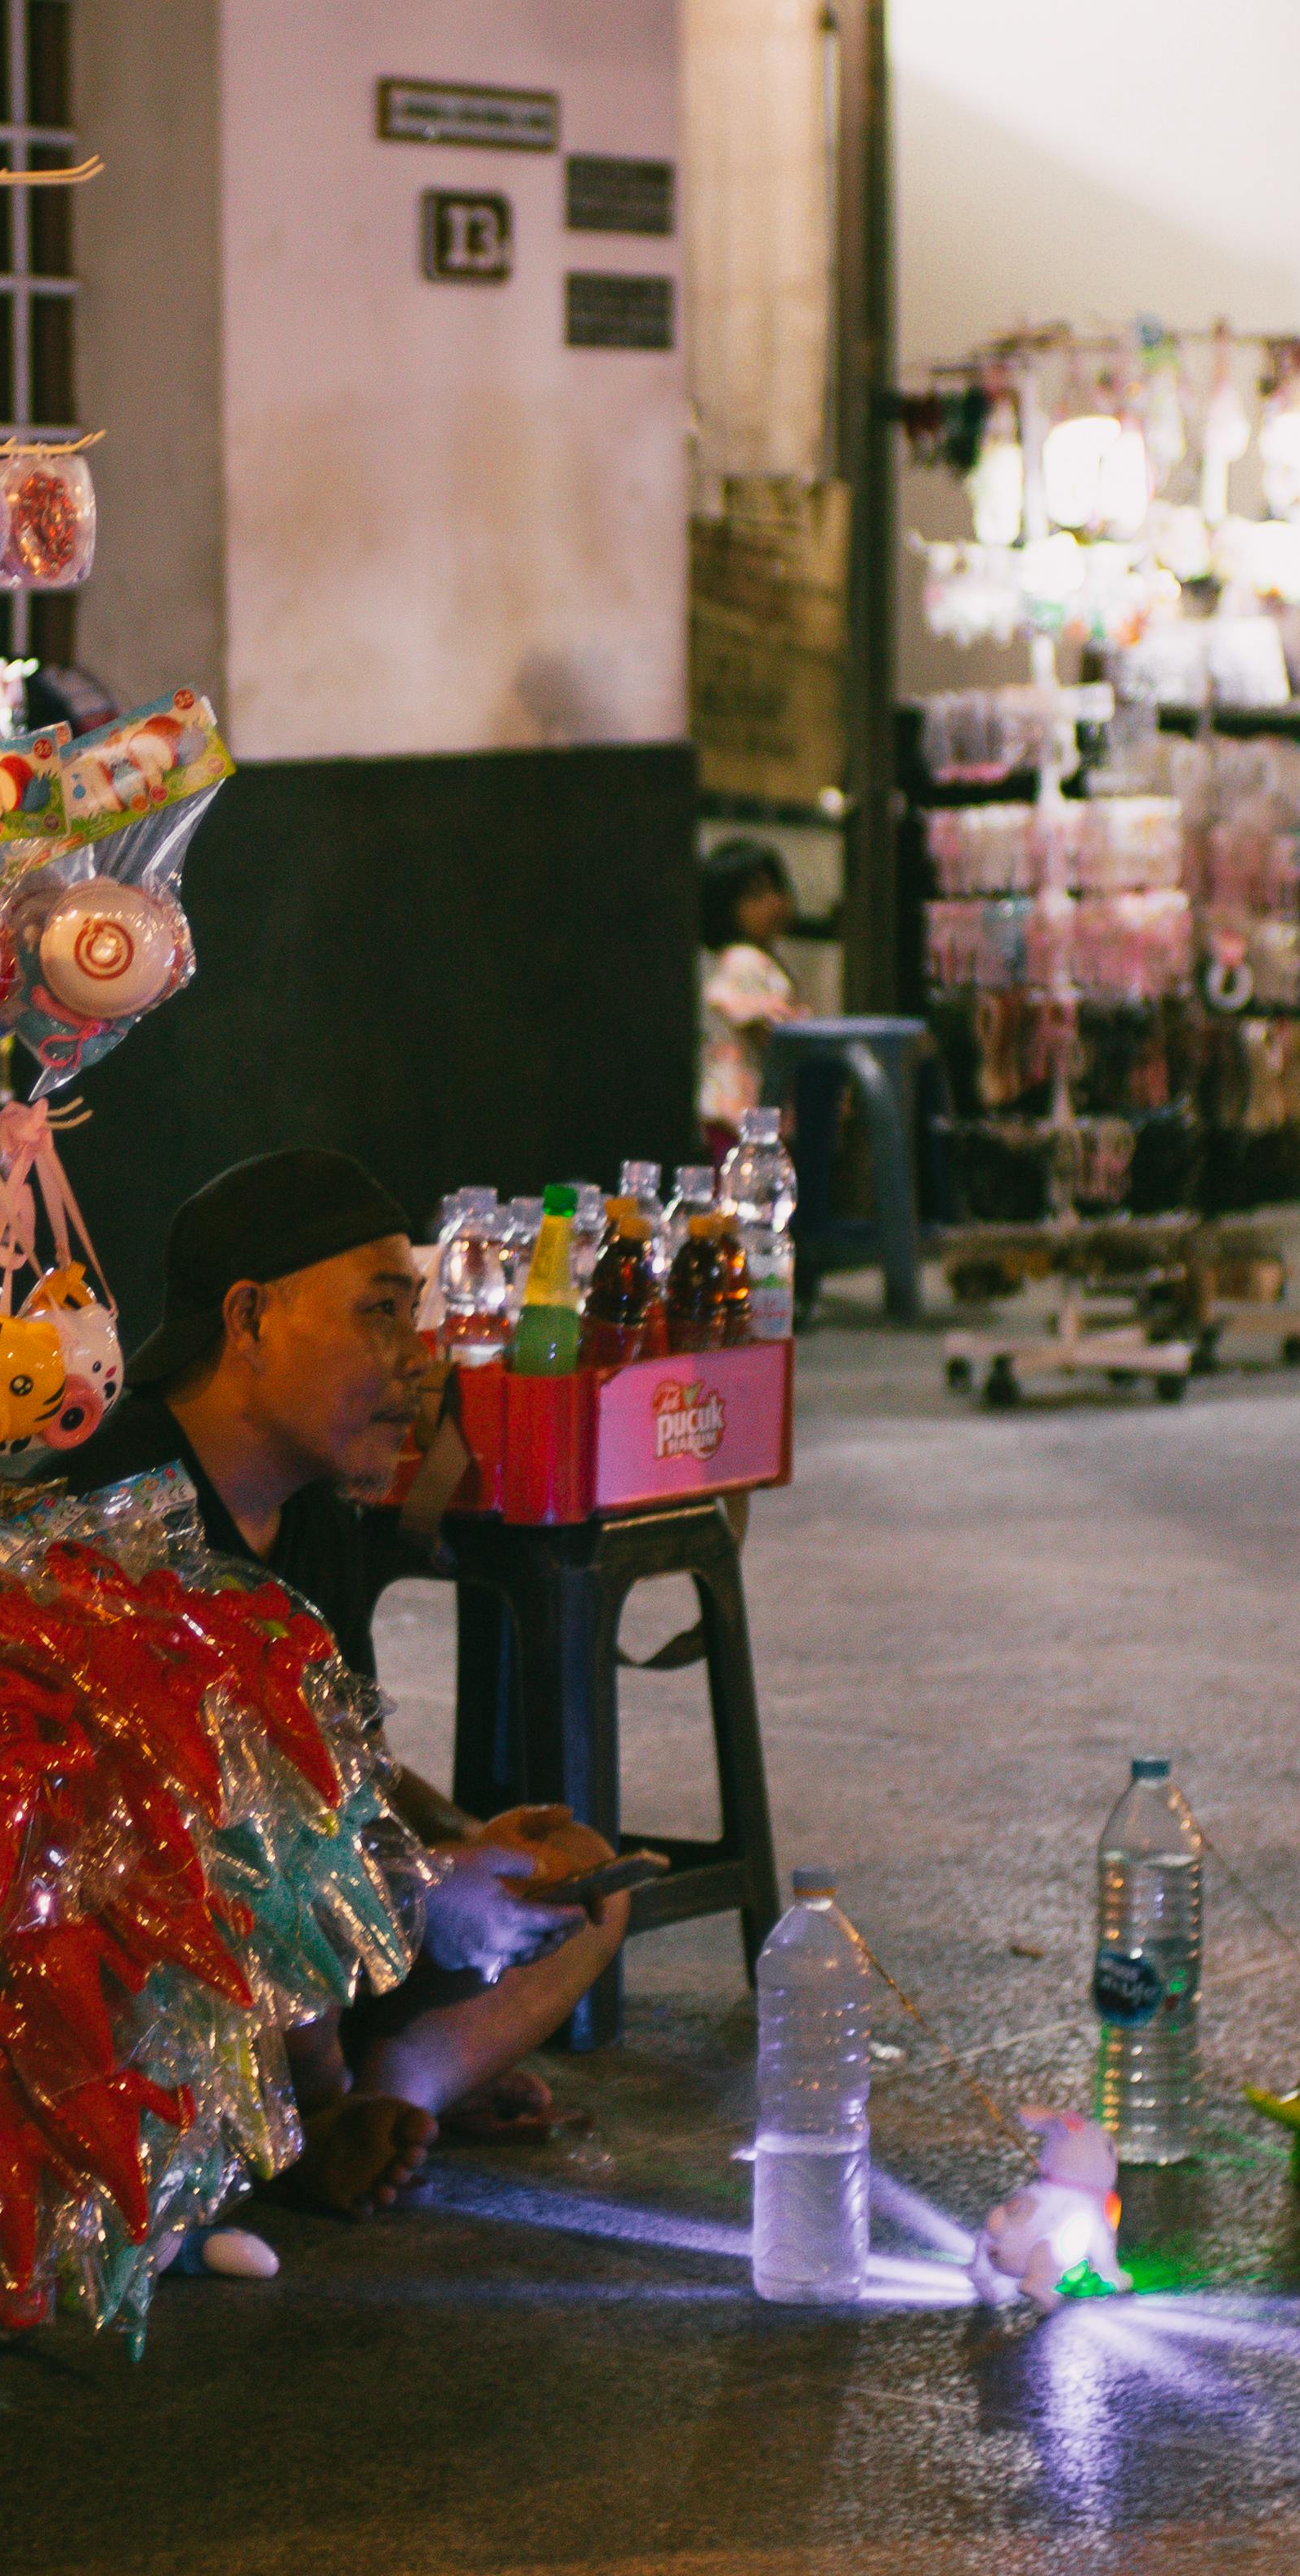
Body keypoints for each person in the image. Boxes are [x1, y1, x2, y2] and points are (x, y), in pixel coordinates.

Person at [82, 1148, 635, 2212]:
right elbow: (164, 1836)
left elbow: (341, 1753)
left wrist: (463, 1843)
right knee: (284, 1887)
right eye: (379, 1316)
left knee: (582, 1882)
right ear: (246, 1321)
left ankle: (394, 2102)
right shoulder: (119, 1513)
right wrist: (408, 1883)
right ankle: (315, 2120)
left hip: (322, 1945)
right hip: (175, 1954)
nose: (412, 1362)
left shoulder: (313, 1515)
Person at [700, 834, 798, 1144]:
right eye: (756, 896)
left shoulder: (758, 961)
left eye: (776, 890)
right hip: (740, 1119)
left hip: (738, 1119)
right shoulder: (745, 961)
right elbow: (772, 1041)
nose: (774, 903)